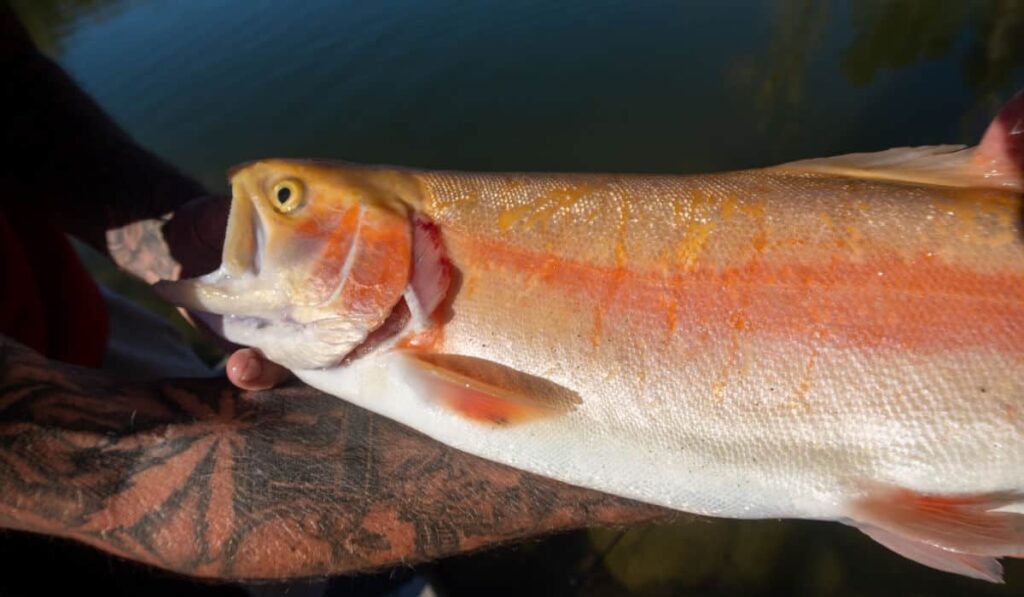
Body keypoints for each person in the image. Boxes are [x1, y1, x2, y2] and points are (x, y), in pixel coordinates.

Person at [0, 1, 664, 585]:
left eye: (285, 198)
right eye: (287, 201)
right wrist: (683, 460)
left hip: (76, 316)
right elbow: (105, 476)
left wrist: (168, 230)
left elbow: (14, 94)